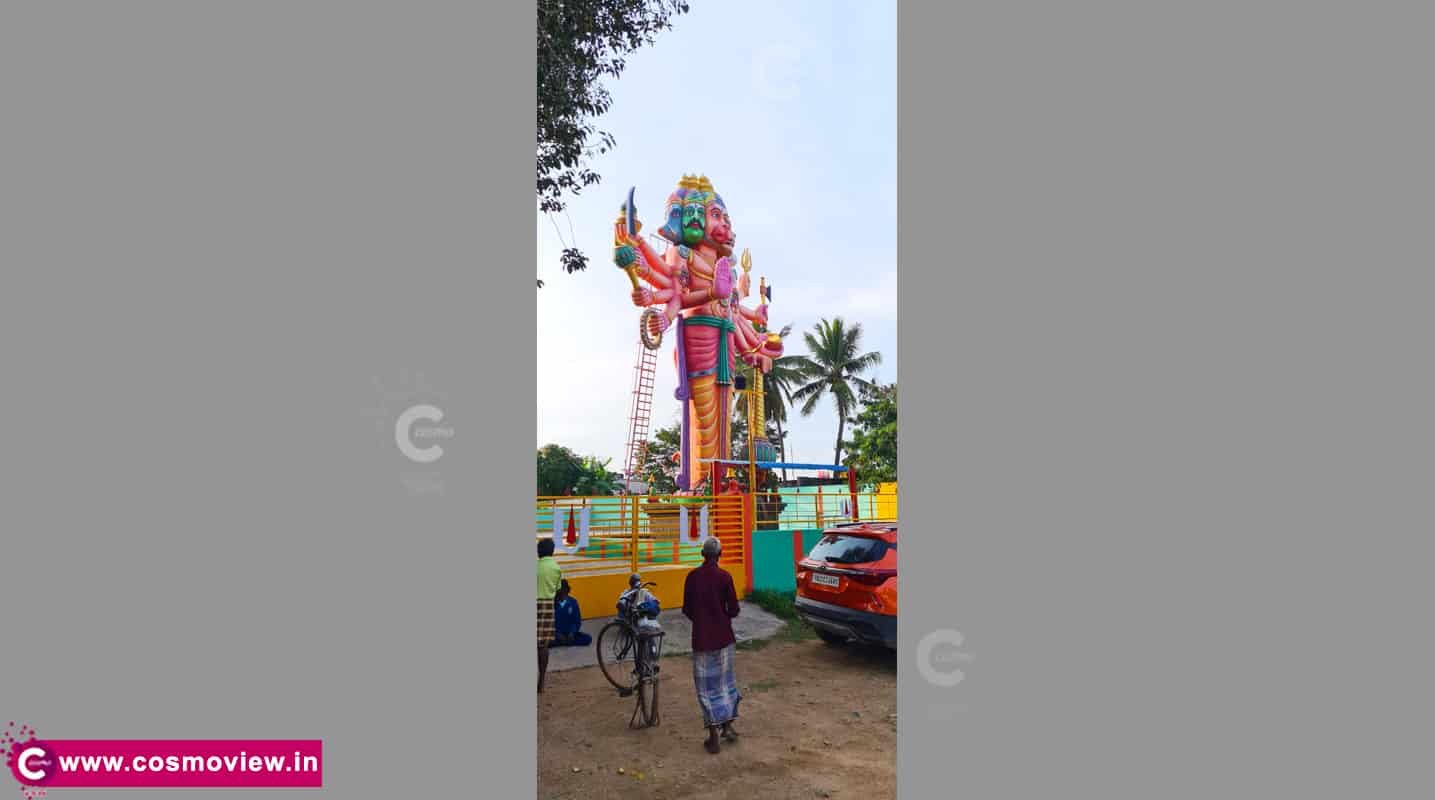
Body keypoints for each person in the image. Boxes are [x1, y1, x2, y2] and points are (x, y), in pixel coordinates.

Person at [681, 537, 742, 753]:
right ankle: (728, 726)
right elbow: (734, 609)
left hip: (702, 640)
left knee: (706, 688)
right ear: (720, 555)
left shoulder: (692, 577)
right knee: (725, 684)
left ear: (702, 554)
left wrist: (702, 620)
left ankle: (714, 733)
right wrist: (721, 617)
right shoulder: (725, 577)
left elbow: (687, 609)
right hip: (724, 638)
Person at [537, 537, 562, 693]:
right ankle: (542, 680)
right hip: (547, 606)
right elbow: (558, 591)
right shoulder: (556, 568)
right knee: (543, 645)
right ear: (552, 552)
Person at [550, 579, 592, 647]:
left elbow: (577, 621)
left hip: (569, 633)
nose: (561, 594)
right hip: (556, 635)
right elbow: (549, 623)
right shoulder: (552, 603)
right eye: (559, 591)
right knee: (546, 641)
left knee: (587, 638)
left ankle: (565, 642)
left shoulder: (573, 602)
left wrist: (572, 633)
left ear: (567, 591)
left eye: (563, 591)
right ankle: (562, 642)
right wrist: (557, 634)